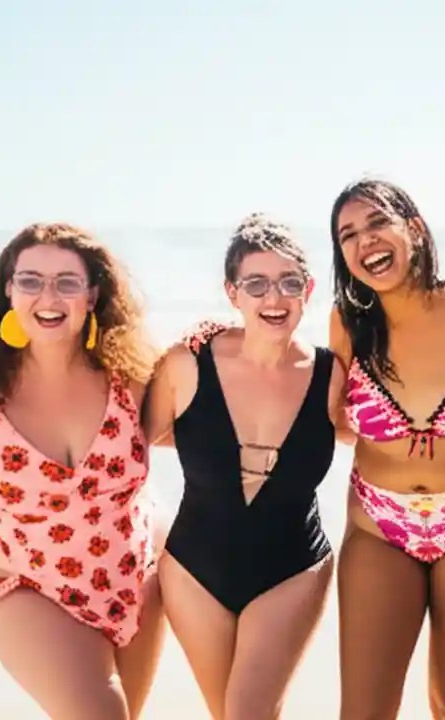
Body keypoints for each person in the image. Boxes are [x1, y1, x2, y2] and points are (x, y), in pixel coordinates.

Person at [0, 223, 166, 719]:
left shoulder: (133, 376)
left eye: (67, 282)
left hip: (134, 578)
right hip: (24, 585)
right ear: (8, 289)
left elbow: (214, 417)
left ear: (92, 295)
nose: (48, 295)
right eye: (30, 280)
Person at [328, 177, 445, 719]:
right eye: (348, 234)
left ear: (413, 228)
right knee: (363, 711)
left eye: (376, 223)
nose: (365, 241)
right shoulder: (347, 325)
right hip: (377, 523)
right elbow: (323, 418)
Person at [144, 214, 347, 718]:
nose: (273, 299)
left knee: (249, 711)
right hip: (194, 567)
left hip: (292, 567)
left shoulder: (331, 374)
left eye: (288, 282)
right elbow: (133, 442)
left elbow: (380, 436)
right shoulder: (185, 363)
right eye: (256, 284)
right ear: (232, 293)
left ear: (309, 289)